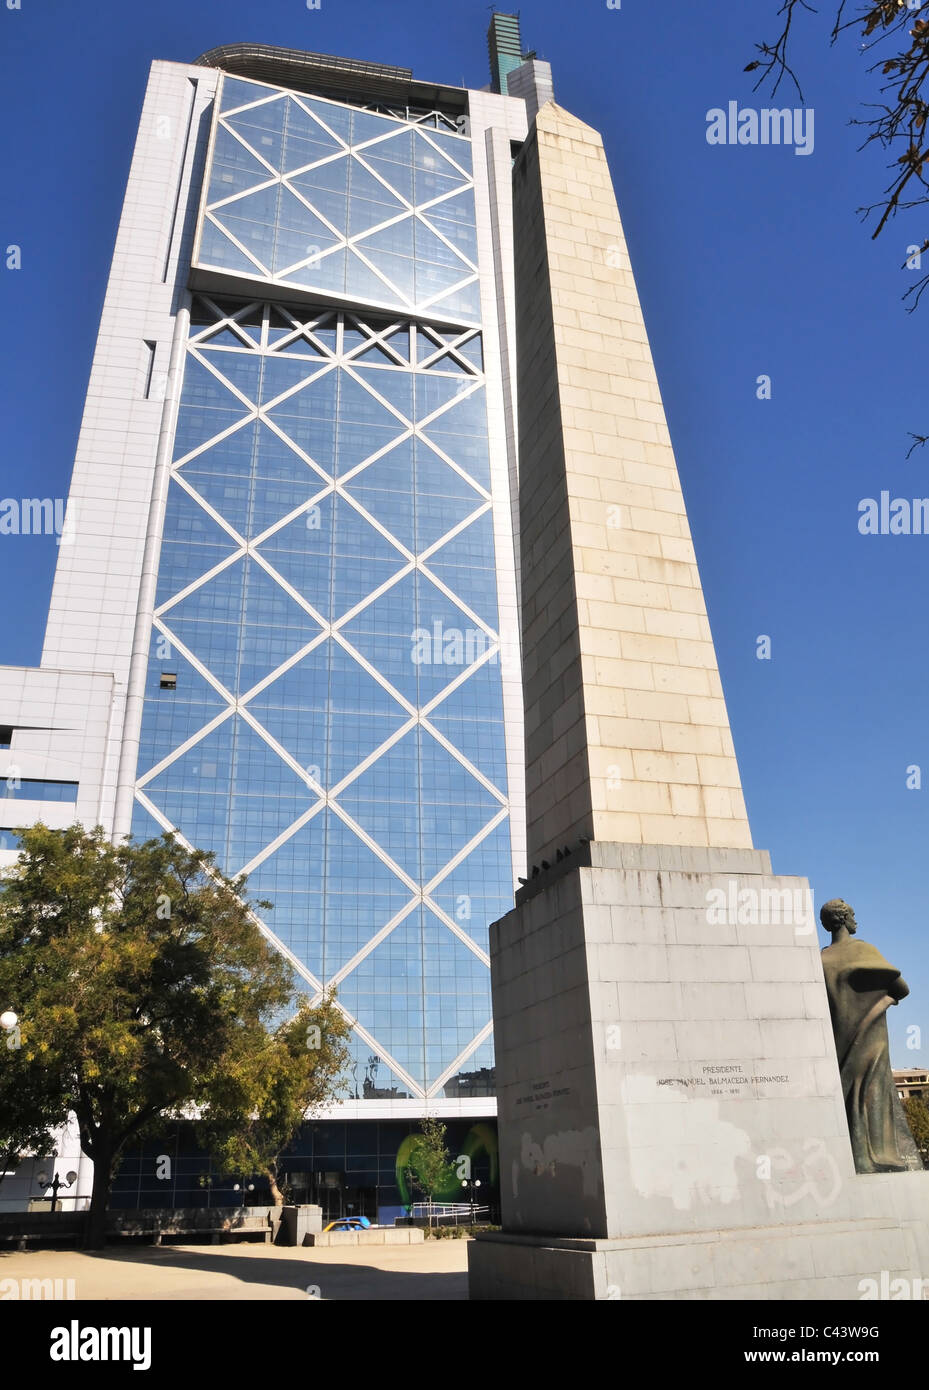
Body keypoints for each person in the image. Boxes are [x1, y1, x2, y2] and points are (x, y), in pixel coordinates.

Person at [820, 899, 909, 1173]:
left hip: (837, 1043)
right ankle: (879, 1156)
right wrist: (881, 1002)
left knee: (848, 1098)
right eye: (854, 915)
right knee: (872, 1094)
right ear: (844, 918)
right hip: (872, 1039)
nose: (857, 921)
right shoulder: (864, 950)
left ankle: (857, 1159)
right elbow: (901, 988)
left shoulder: (819, 960)